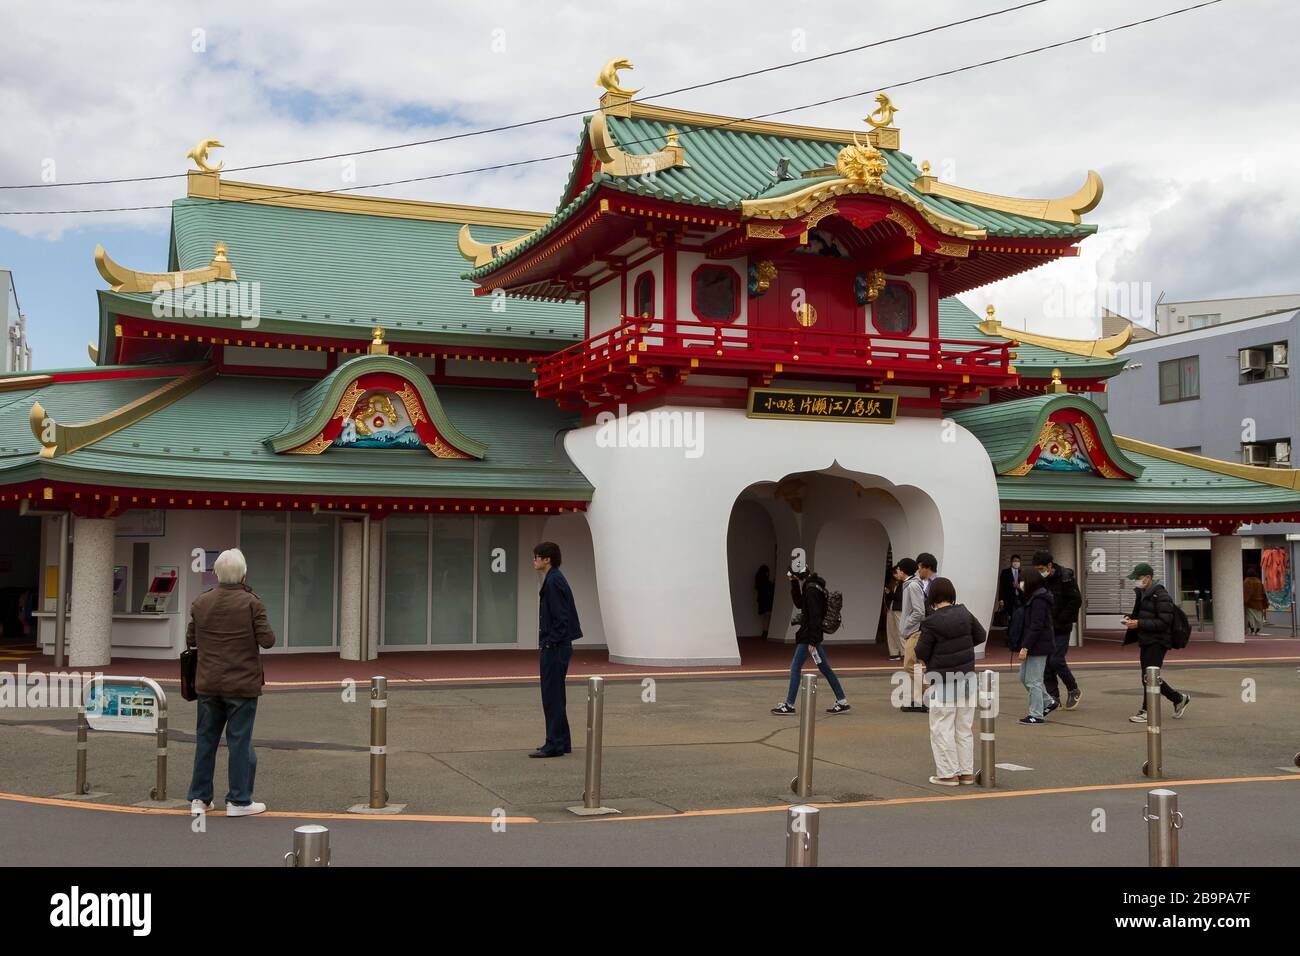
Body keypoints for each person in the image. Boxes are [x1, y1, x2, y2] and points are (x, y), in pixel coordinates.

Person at [185, 548, 275, 816]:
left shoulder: (201, 602)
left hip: (208, 683)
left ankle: (199, 800)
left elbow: (191, 639)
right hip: (242, 684)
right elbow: (268, 641)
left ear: (216, 574)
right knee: (239, 741)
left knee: (205, 740)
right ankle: (239, 800)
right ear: (243, 574)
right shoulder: (252, 603)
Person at [915, 577, 986, 786]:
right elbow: (980, 635)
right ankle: (966, 773)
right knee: (963, 728)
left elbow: (921, 651)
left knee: (942, 727)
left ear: (932, 596)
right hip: (967, 679)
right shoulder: (964, 612)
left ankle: (948, 774)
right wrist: (962, 646)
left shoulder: (931, 622)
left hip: (943, 680)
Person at [771, 553, 850, 715]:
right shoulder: (812, 585)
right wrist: (793, 583)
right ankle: (842, 700)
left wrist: (813, 640)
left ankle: (790, 705)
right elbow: (800, 603)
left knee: (795, 667)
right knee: (825, 668)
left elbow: (814, 616)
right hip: (812, 635)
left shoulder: (811, 589)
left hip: (809, 635)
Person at [532, 541, 582, 757]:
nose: (534, 560)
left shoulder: (553, 582)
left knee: (551, 696)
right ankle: (562, 741)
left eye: (536, 557)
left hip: (555, 647)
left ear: (547, 559)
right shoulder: (555, 578)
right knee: (557, 695)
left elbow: (561, 618)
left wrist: (550, 642)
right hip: (559, 646)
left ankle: (553, 744)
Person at [1122, 563, 1189, 722]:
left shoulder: (1161, 595)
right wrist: (1131, 619)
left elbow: (1164, 622)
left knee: (1149, 676)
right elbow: (1145, 616)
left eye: (1138, 578)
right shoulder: (1144, 593)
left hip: (1158, 641)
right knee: (1148, 676)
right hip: (1147, 639)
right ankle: (1178, 698)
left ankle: (1148, 710)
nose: (1136, 581)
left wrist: (1139, 623)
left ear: (1148, 578)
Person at [1033, 550, 1082, 713]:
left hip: (1061, 627)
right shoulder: (1041, 580)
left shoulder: (1066, 578)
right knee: (1046, 664)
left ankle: (1073, 689)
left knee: (1055, 660)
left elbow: (1076, 601)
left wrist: (1061, 619)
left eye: (1041, 568)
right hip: (1046, 628)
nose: (1040, 572)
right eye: (1037, 569)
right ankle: (1053, 698)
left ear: (1050, 565)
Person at [1016, 568, 1055, 725]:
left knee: (1033, 681)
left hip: (1038, 646)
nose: (1020, 584)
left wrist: (1025, 647)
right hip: (1035, 644)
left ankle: (1036, 714)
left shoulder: (1039, 599)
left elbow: (1036, 626)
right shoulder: (1034, 597)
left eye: (1022, 580)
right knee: (1024, 678)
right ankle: (1048, 701)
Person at [898, 553, 937, 713]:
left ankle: (931, 695)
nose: (897, 573)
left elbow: (919, 612)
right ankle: (917, 700)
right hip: (917, 631)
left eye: (899, 570)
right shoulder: (915, 584)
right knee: (917, 667)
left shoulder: (912, 585)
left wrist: (906, 626)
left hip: (914, 632)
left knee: (909, 666)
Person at [884, 563, 907, 661]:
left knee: (900, 630)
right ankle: (894, 653)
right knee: (891, 631)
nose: (895, 575)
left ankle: (905, 653)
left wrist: (890, 593)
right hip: (891, 609)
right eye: (894, 573)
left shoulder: (905, 584)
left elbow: (900, 597)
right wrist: (888, 593)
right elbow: (890, 597)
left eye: (896, 573)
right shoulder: (892, 583)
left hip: (899, 609)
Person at [995, 555, 1023, 625]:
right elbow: (1002, 586)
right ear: (1011, 562)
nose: (1016, 563)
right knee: (1009, 617)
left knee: (1018, 616)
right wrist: (1001, 600)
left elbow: (1023, 587)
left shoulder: (1022, 572)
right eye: (1015, 561)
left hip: (1019, 598)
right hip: (1008, 598)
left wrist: (1019, 587)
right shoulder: (1005, 572)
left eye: (1018, 561)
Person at [1243, 567, 1269, 635]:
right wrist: (1265, 601)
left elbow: (1247, 592)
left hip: (1250, 602)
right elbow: (1263, 592)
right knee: (1258, 616)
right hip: (1259, 602)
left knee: (1250, 616)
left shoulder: (1247, 581)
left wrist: (1244, 601)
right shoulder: (1259, 581)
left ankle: (1252, 629)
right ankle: (1258, 629)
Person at [754, 564, 775, 638]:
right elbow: (770, 588)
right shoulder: (766, 582)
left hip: (761, 600)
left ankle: (765, 631)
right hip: (767, 600)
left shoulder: (758, 581)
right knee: (768, 616)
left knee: (764, 617)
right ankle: (766, 632)